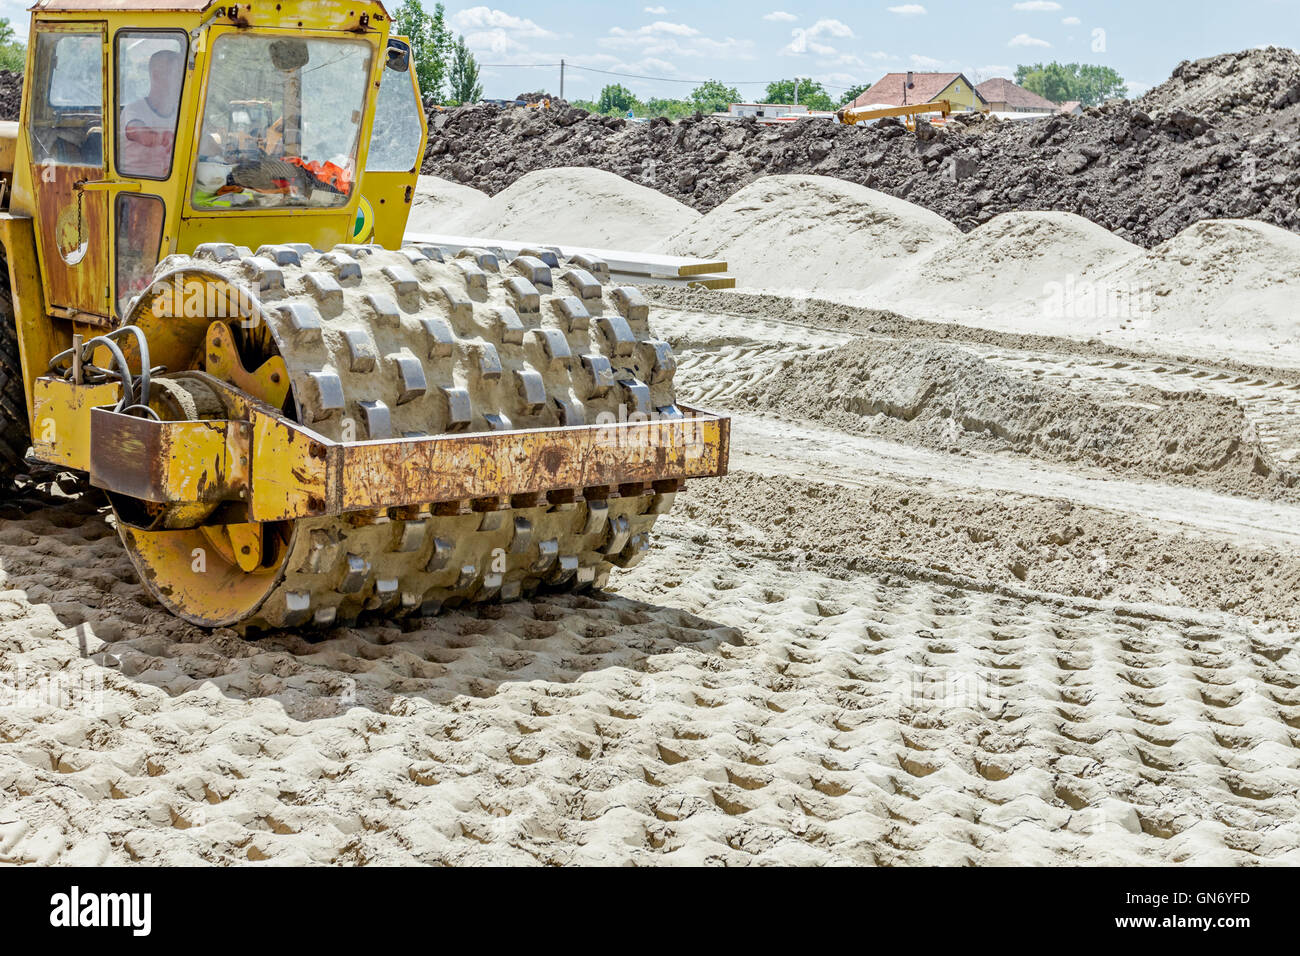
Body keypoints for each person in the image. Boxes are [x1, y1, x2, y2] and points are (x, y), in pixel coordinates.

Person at [120, 49, 183, 178]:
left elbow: (204, 141)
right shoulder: (134, 110)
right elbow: (140, 133)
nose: (183, 81)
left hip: (169, 185)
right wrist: (162, 137)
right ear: (156, 76)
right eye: (177, 74)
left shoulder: (180, 112)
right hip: (137, 188)